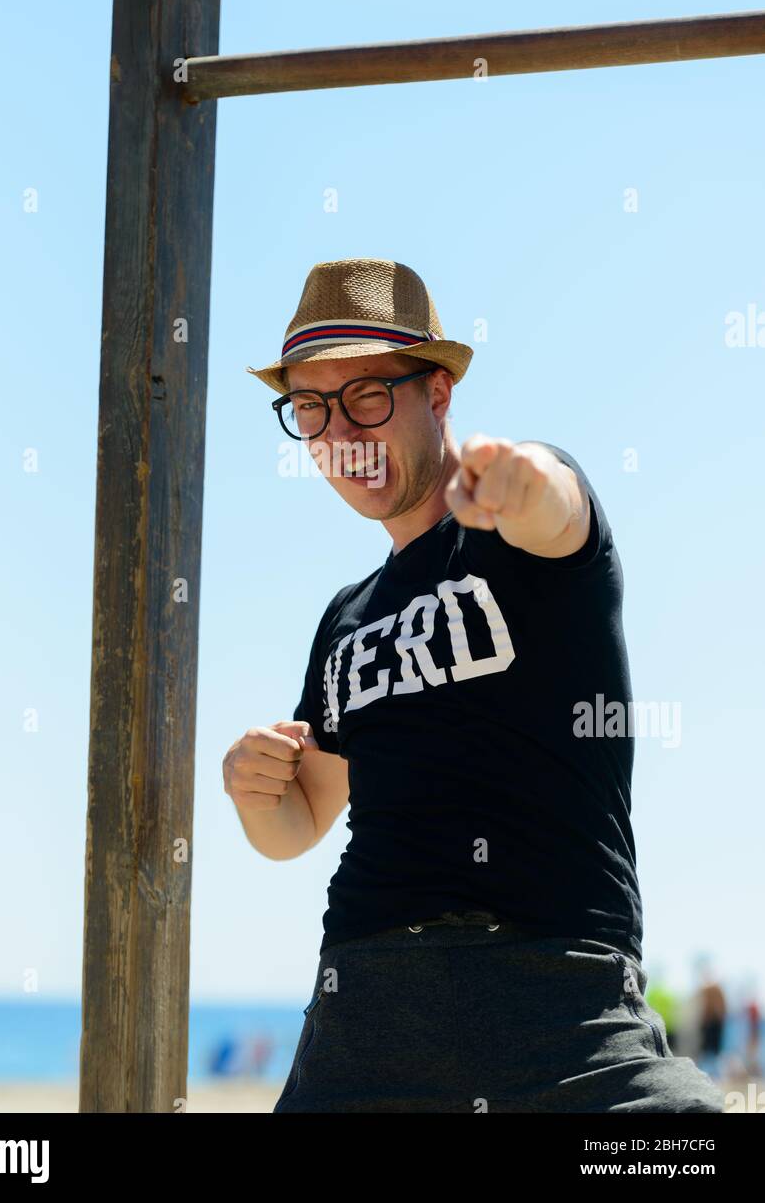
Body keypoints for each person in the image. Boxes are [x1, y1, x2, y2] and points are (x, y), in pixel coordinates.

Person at [223, 256, 724, 1114]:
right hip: (364, 1015)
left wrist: (520, 479)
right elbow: (299, 822)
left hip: (561, 1005)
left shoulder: (522, 533)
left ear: (439, 395)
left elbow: (552, 503)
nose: (340, 432)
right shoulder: (345, 618)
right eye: (311, 407)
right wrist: (249, 788)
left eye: (368, 396)